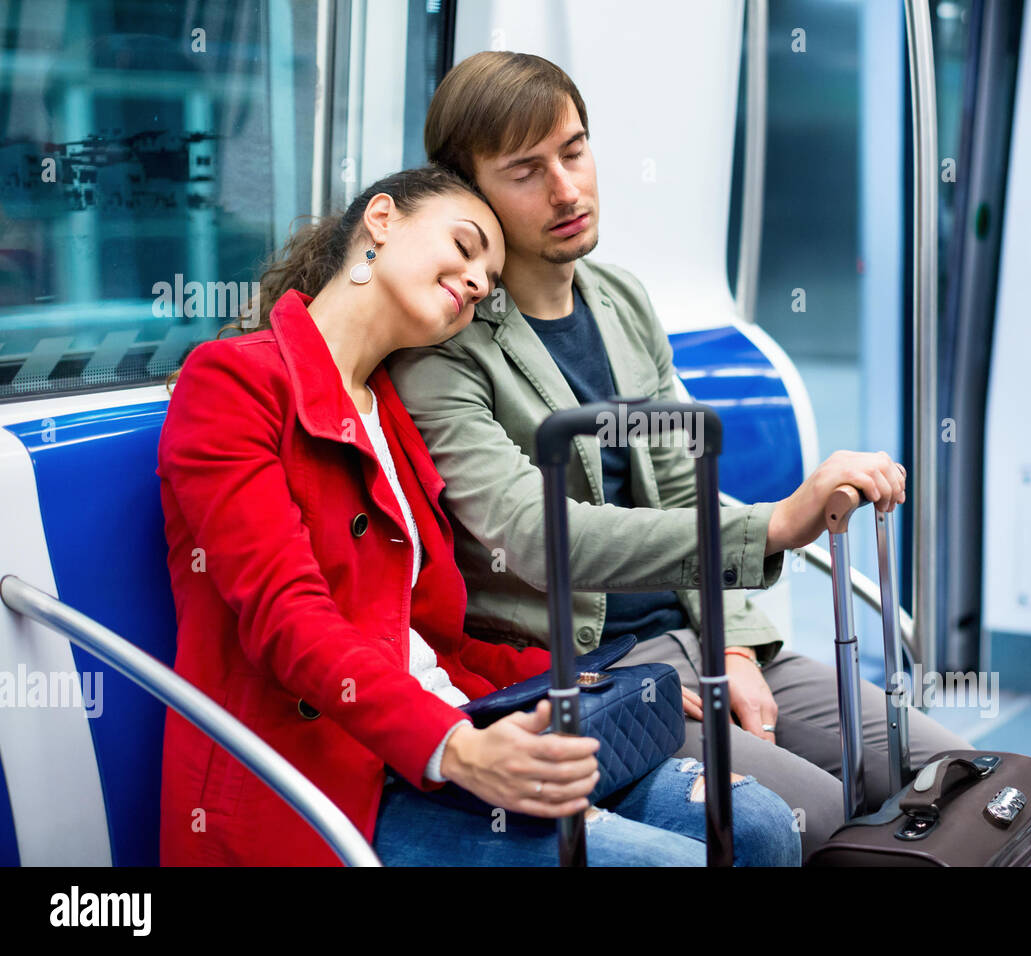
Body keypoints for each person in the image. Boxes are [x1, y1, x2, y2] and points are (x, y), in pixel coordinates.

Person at [386, 52, 975, 861]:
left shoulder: (620, 298)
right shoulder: (447, 346)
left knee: (949, 771)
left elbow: (680, 489)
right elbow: (530, 532)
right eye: (525, 171)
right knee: (817, 814)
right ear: (470, 192)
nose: (566, 189)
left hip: (703, 628)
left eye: (574, 150)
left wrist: (730, 643)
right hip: (596, 666)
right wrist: (772, 525)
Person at [156, 162, 801, 867]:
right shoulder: (233, 382)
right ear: (381, 221)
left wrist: (587, 680)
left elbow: (439, 641)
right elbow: (290, 620)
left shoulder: (392, 413)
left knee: (762, 825)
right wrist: (455, 748)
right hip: (338, 777)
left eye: (487, 283)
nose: (475, 284)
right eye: (464, 249)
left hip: (458, 732)